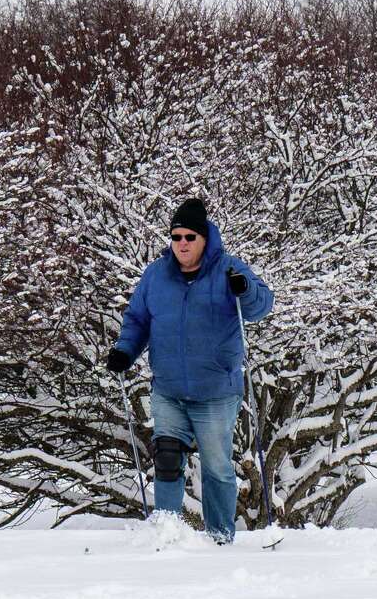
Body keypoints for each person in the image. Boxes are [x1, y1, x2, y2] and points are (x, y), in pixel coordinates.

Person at [105, 197, 274, 543]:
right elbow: (138, 320)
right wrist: (125, 351)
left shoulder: (228, 269)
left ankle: (219, 538)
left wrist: (246, 290)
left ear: (204, 239)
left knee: (216, 468)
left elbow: (260, 306)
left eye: (189, 237)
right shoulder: (156, 275)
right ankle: (166, 536)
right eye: (176, 236)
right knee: (166, 459)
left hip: (215, 390)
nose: (181, 243)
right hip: (168, 388)